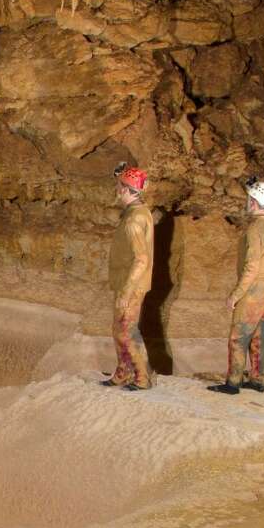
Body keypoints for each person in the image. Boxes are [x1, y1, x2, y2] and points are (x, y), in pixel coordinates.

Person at [210, 178, 264, 395]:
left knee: (238, 337)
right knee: (260, 336)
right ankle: (258, 379)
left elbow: (252, 266)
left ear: (254, 202)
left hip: (253, 292)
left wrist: (236, 294)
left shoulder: (256, 228)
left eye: (249, 198)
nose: (247, 201)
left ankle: (233, 382)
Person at [102, 165, 155, 391]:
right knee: (119, 329)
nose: (116, 189)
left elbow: (141, 259)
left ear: (126, 189)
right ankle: (122, 373)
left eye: (119, 185)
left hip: (131, 285)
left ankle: (142, 378)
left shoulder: (134, 220)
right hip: (128, 281)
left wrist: (126, 291)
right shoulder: (138, 212)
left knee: (125, 330)